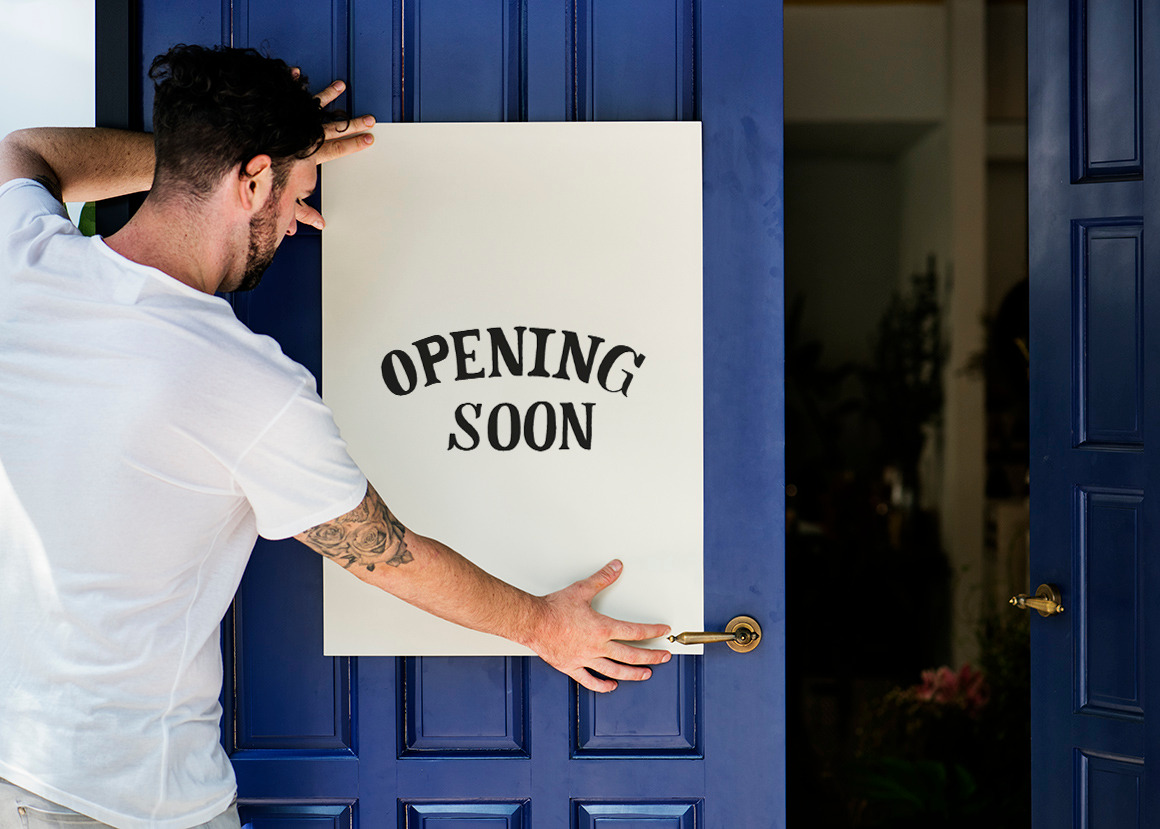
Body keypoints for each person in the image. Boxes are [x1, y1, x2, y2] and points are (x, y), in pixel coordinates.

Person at [0, 44, 671, 829]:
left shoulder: (25, 264)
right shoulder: (242, 382)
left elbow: (26, 152)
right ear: (250, 181)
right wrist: (543, 624)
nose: (294, 223)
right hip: (119, 802)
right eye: (294, 194)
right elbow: (390, 555)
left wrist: (204, 158)